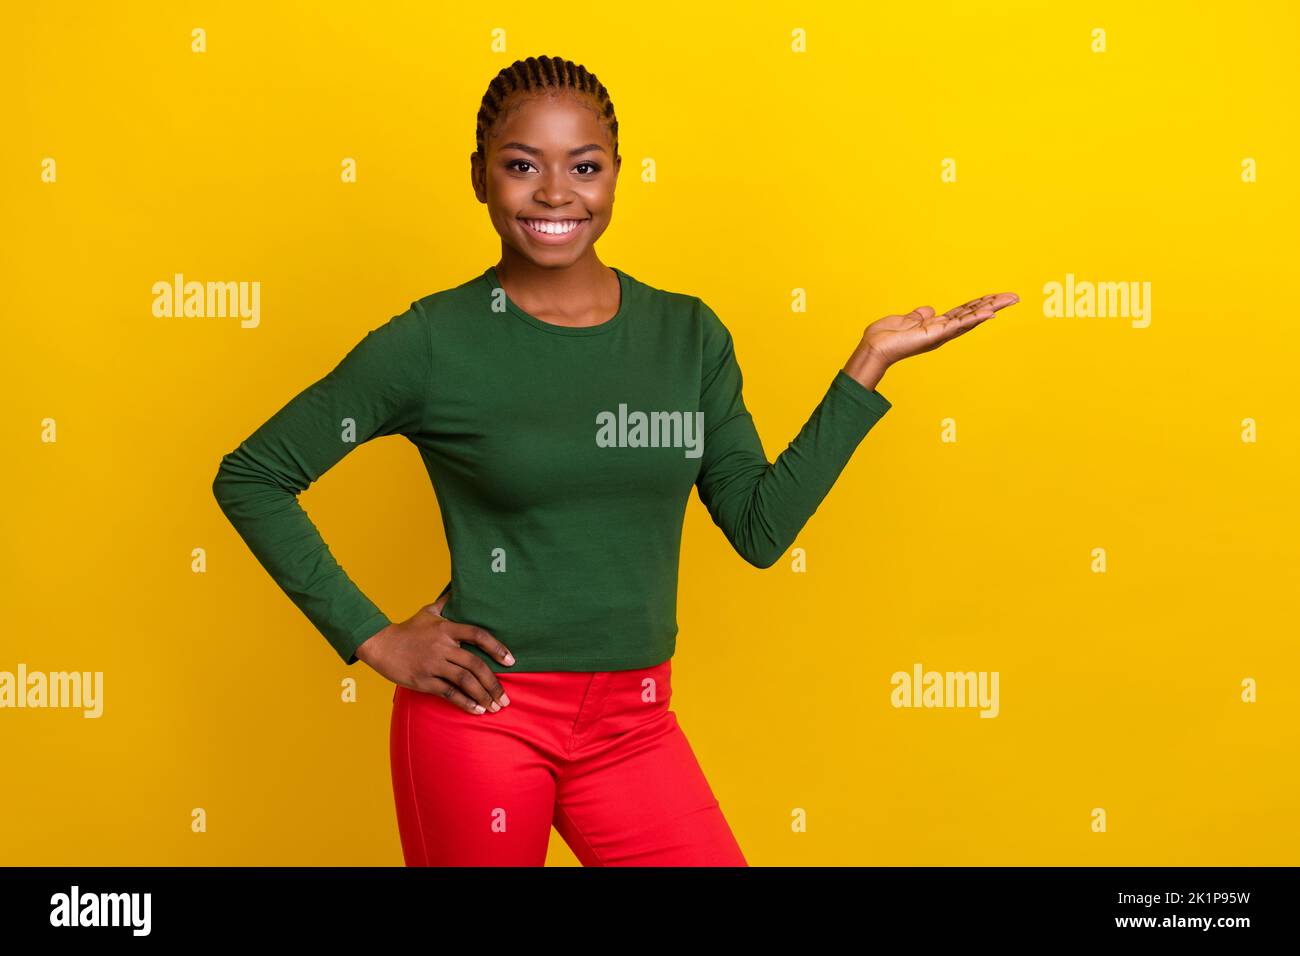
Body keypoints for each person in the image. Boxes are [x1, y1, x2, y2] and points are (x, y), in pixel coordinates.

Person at [211, 54, 1019, 867]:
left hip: (634, 724)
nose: (556, 194)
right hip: (483, 717)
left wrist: (868, 365)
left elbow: (759, 528)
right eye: (522, 166)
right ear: (479, 177)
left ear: (616, 177)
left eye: (584, 167)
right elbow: (253, 475)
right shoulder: (432, 341)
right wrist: (373, 637)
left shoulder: (687, 335)